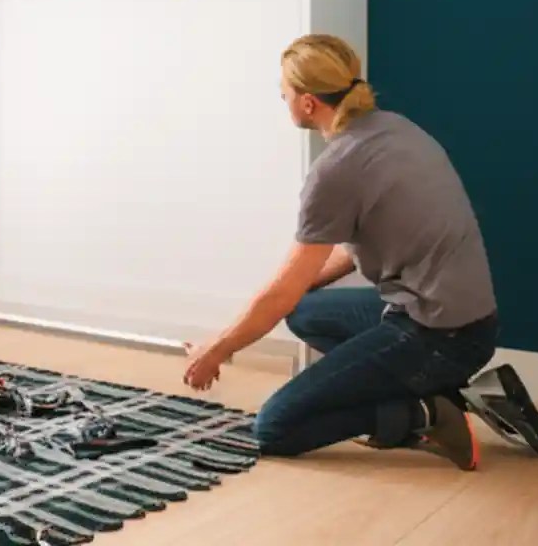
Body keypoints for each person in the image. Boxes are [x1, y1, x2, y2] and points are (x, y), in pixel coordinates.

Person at [183, 34, 517, 470]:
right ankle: (430, 387)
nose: (282, 98)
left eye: (284, 91)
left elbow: (282, 291)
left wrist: (215, 350)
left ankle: (427, 411)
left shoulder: (336, 170)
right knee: (304, 311)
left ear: (307, 103)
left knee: (275, 426)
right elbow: (332, 263)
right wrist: (297, 287)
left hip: (440, 337)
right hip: (460, 319)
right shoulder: (394, 128)